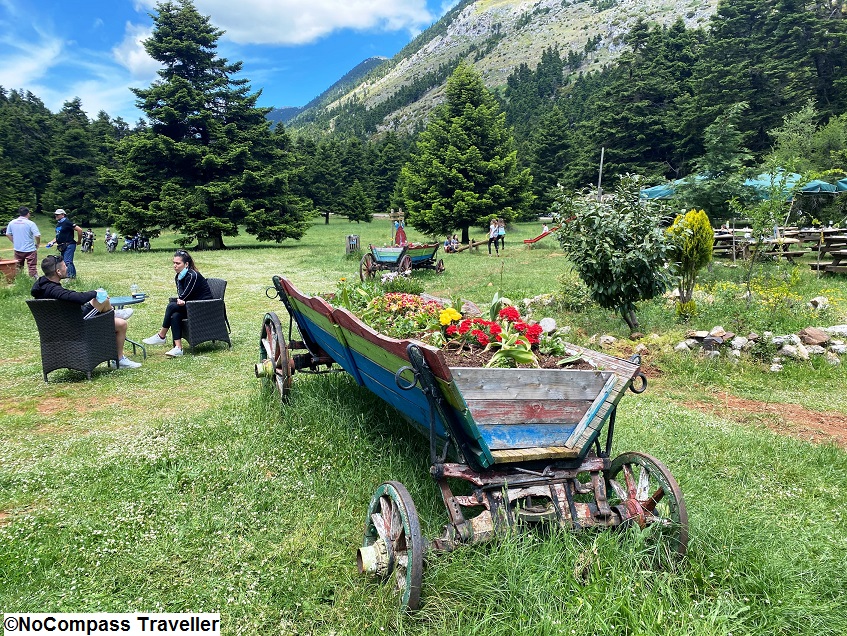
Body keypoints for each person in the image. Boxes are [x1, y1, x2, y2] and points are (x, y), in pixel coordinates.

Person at [30, 254, 140, 369]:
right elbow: (78, 298)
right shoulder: (53, 290)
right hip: (76, 325)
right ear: (58, 271)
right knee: (102, 298)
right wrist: (95, 292)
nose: (67, 267)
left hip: (64, 324)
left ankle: (119, 357)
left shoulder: (42, 286)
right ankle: (111, 314)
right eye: (64, 266)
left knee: (121, 324)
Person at [143, 249, 213, 358]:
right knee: (175, 315)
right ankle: (178, 348)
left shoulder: (192, 275)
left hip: (203, 307)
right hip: (191, 305)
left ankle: (161, 335)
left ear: (186, 264)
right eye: (174, 263)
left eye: (178, 263)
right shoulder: (179, 276)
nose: (175, 266)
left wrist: (182, 299)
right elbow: (181, 295)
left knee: (171, 306)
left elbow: (184, 295)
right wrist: (181, 295)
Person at [5, 206, 41, 277]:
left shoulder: (12, 222)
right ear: (28, 213)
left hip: (18, 248)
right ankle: (33, 280)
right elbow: (37, 235)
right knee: (32, 267)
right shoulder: (30, 223)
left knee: (18, 266)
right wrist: (38, 243)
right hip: (30, 249)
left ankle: (19, 279)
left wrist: (14, 241)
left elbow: (7, 234)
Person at [47, 209, 83, 278]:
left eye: (58, 214)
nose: (56, 216)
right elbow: (58, 236)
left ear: (63, 215)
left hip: (69, 244)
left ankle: (70, 277)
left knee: (67, 262)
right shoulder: (58, 224)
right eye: (55, 214)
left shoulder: (67, 222)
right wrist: (52, 242)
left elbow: (79, 230)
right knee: (65, 262)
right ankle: (72, 277)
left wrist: (79, 241)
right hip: (62, 246)